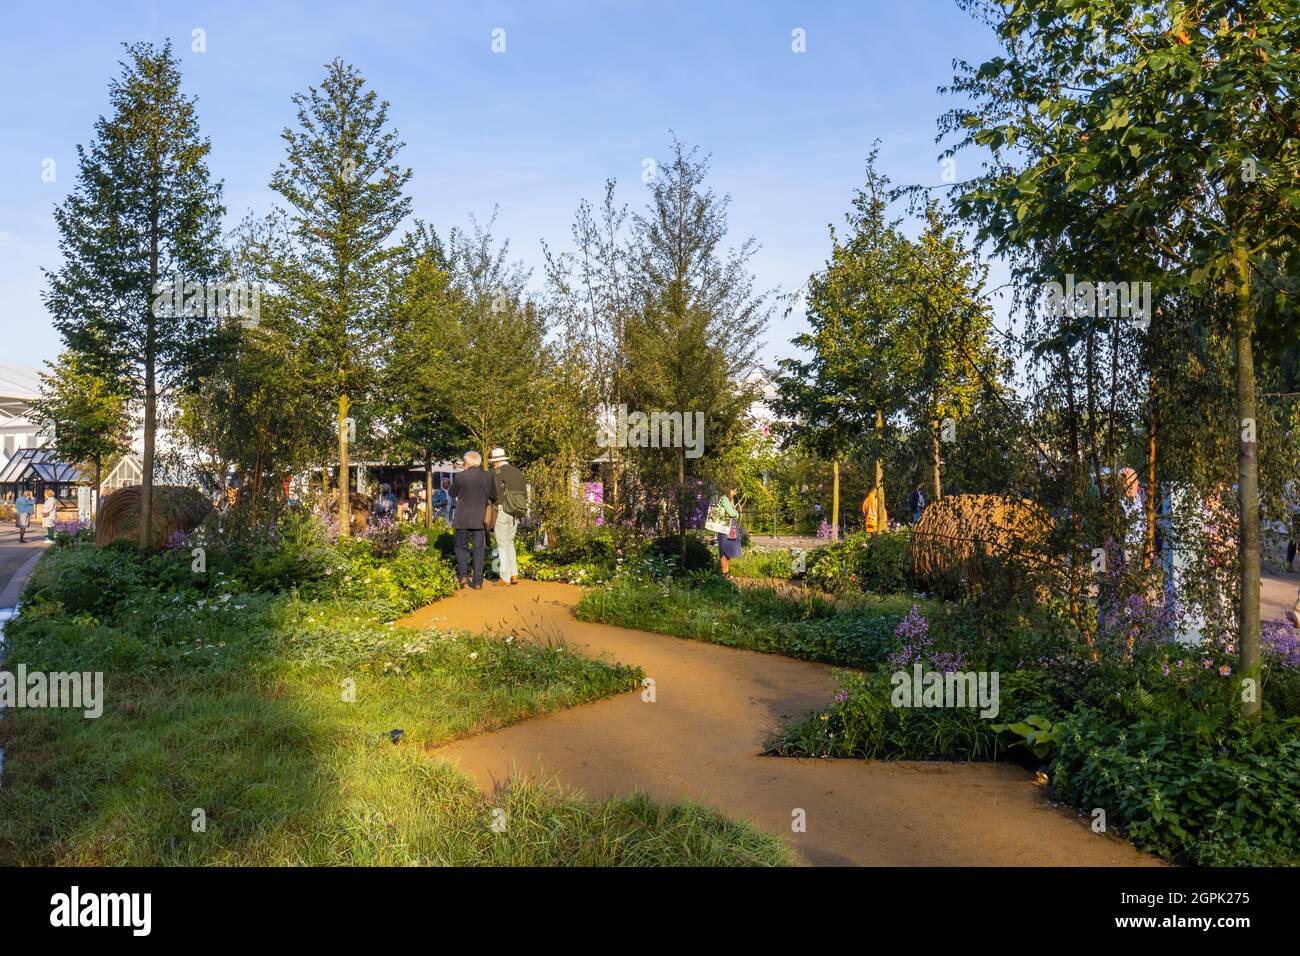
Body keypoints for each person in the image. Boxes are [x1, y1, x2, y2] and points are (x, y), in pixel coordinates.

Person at [449, 451, 497, 589]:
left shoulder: (460, 476)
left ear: (467, 463)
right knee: (478, 549)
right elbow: (494, 495)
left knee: (460, 547)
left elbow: (452, 492)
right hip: (480, 518)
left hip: (462, 518)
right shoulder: (488, 476)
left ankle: (463, 575)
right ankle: (477, 582)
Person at [488, 448, 527, 586]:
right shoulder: (518, 472)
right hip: (516, 511)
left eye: (493, 462)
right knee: (510, 542)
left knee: (502, 543)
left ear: (496, 461)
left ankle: (504, 577)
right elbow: (524, 492)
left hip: (503, 509)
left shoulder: (497, 473)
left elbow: (493, 493)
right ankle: (514, 574)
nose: (493, 465)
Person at [716, 485, 742, 576]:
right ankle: (723, 573)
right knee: (724, 551)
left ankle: (726, 572)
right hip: (725, 528)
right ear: (730, 490)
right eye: (734, 491)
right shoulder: (724, 499)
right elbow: (731, 513)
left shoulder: (728, 499)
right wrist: (737, 513)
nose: (735, 493)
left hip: (730, 528)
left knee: (728, 551)